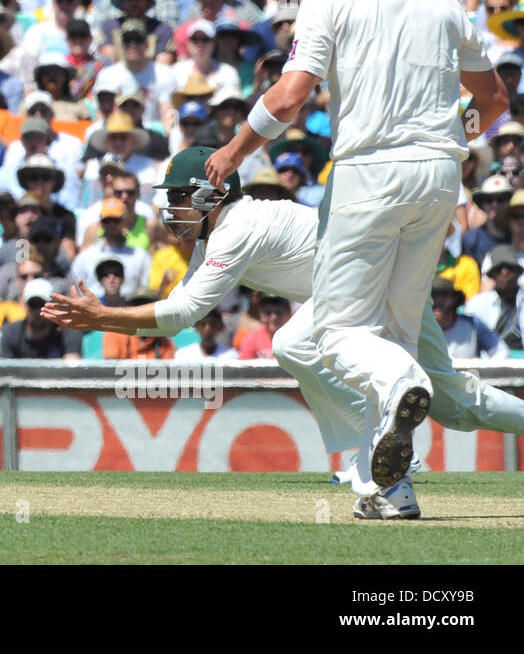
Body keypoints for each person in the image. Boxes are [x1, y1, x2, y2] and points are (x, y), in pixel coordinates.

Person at [204, 0, 511, 513]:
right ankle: (389, 490)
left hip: (369, 175)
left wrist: (233, 151)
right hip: (439, 180)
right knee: (390, 332)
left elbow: (289, 98)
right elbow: (495, 102)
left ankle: (399, 396)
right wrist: (459, 131)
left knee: (339, 333)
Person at [44, 145, 524, 519]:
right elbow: (179, 306)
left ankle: (375, 457)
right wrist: (102, 315)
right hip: (384, 282)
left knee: (294, 342)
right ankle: (385, 470)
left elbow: (180, 315)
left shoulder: (236, 228)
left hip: (364, 282)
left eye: (179, 196)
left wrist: (100, 316)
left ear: (212, 193)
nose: (171, 208)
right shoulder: (220, 234)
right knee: (456, 404)